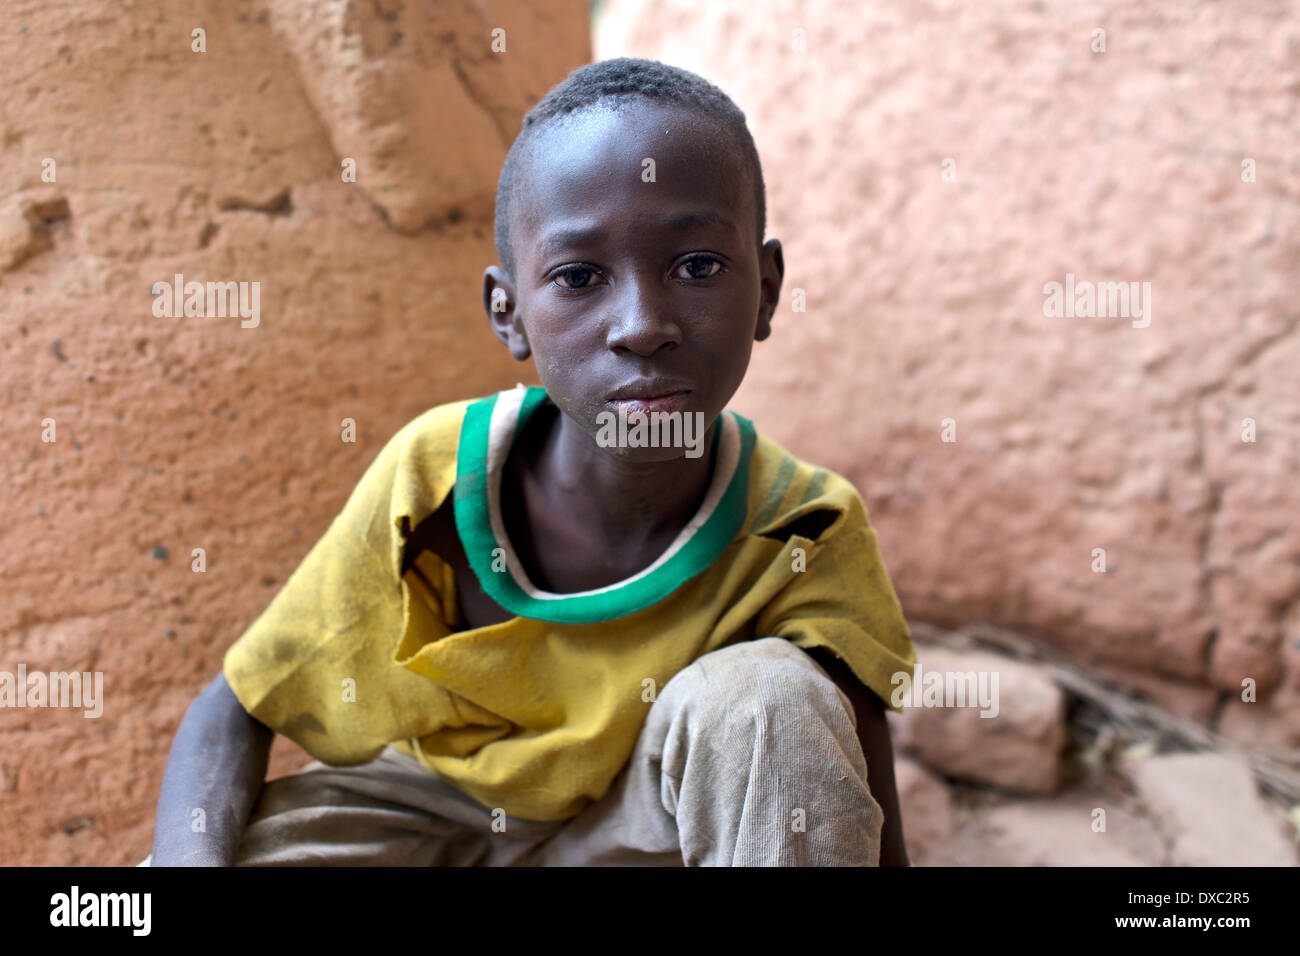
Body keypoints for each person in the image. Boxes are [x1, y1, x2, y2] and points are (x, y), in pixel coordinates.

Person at [145, 57, 917, 867]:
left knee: (769, 697)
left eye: (696, 266)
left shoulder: (804, 526)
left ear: (764, 289)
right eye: (579, 276)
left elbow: (858, 807)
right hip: (436, 824)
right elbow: (236, 706)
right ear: (509, 315)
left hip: (642, 833)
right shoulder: (436, 481)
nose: (641, 325)